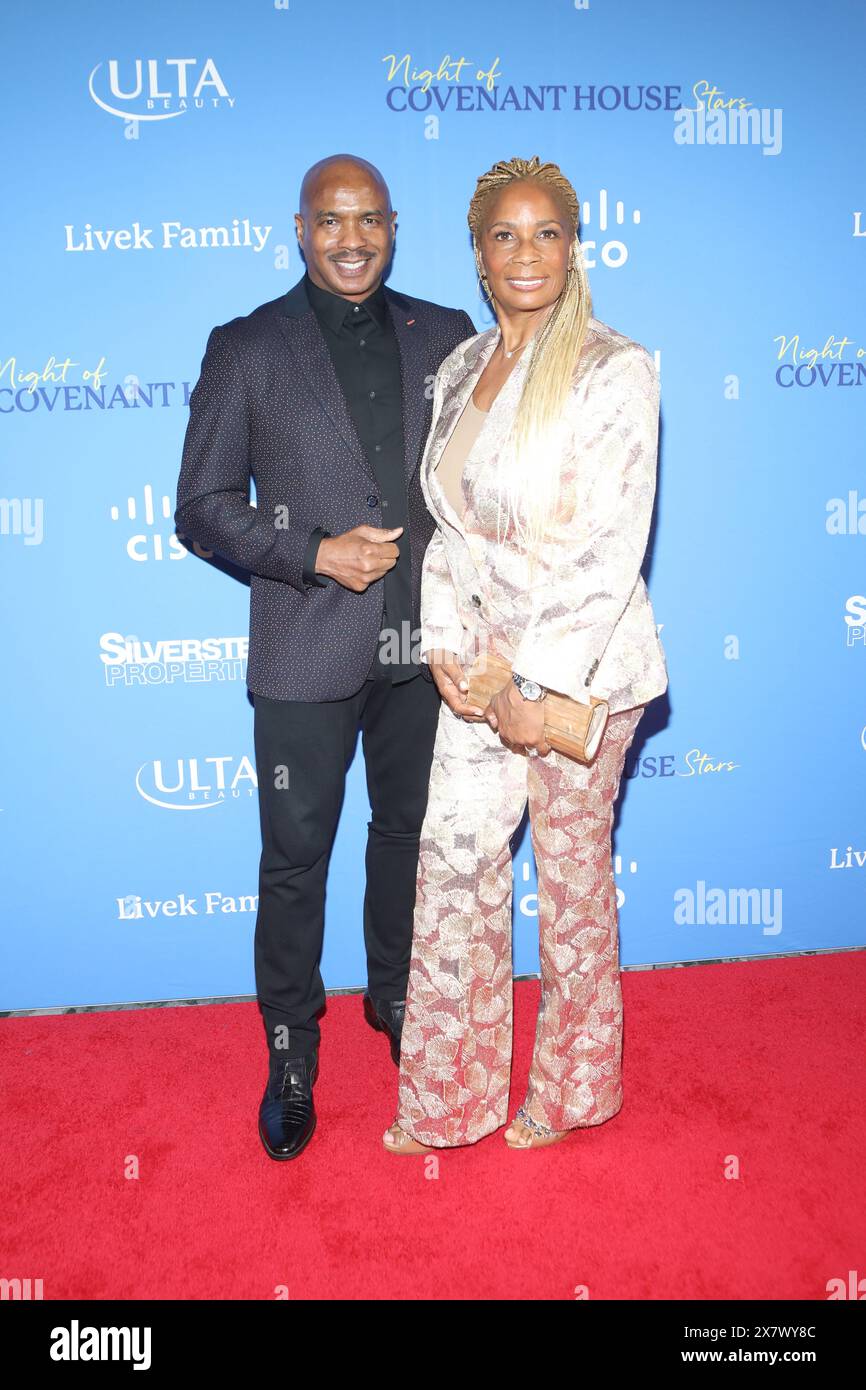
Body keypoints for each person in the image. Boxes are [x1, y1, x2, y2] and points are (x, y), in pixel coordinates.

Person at [175, 154, 475, 1161]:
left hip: (423, 644)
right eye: (330, 220)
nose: (352, 238)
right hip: (306, 645)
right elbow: (201, 507)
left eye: (371, 220)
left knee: (406, 838)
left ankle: (394, 1004)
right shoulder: (248, 346)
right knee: (294, 862)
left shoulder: (447, 335)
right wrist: (312, 553)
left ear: (394, 227)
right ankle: (291, 1052)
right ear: (298, 229)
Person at [383, 155, 668, 1154]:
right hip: (479, 672)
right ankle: (447, 1099)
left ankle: (576, 1089)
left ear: (573, 245)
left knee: (573, 879)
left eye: (545, 231)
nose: (526, 252)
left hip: (578, 675)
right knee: (451, 861)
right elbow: (448, 532)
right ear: (475, 254)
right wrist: (455, 653)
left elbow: (608, 545)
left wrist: (528, 682)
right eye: (504, 235)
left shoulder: (610, 366)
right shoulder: (459, 368)